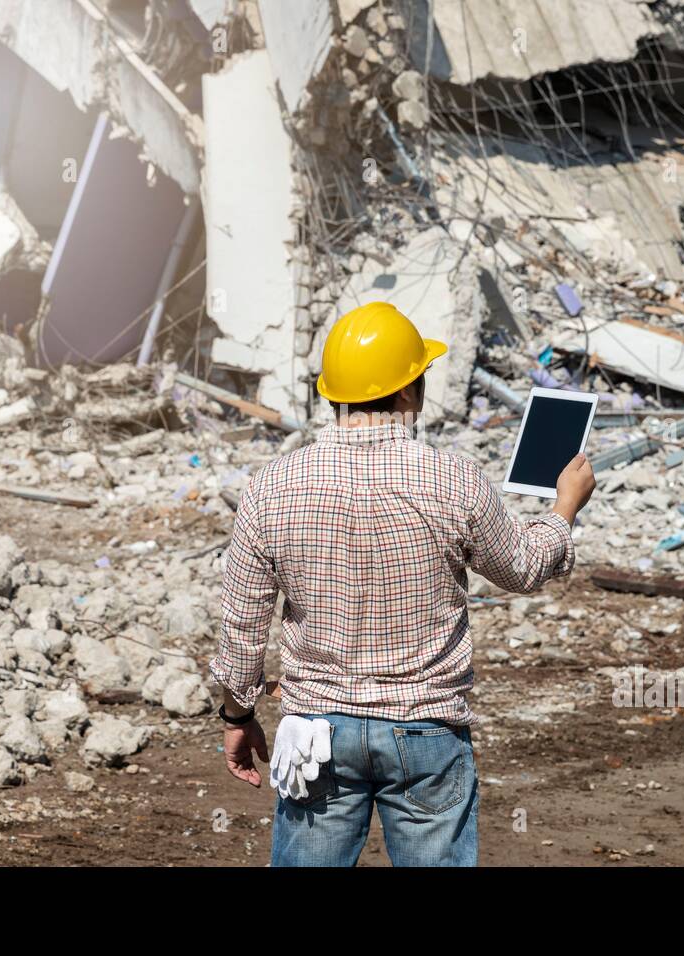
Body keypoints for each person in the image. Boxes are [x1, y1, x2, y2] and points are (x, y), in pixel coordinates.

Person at [209, 301, 597, 866]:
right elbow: (523, 568)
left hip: (318, 733)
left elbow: (242, 625)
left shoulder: (272, 485)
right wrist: (564, 508)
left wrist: (237, 716)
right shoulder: (452, 479)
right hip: (426, 732)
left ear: (332, 393)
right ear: (410, 390)